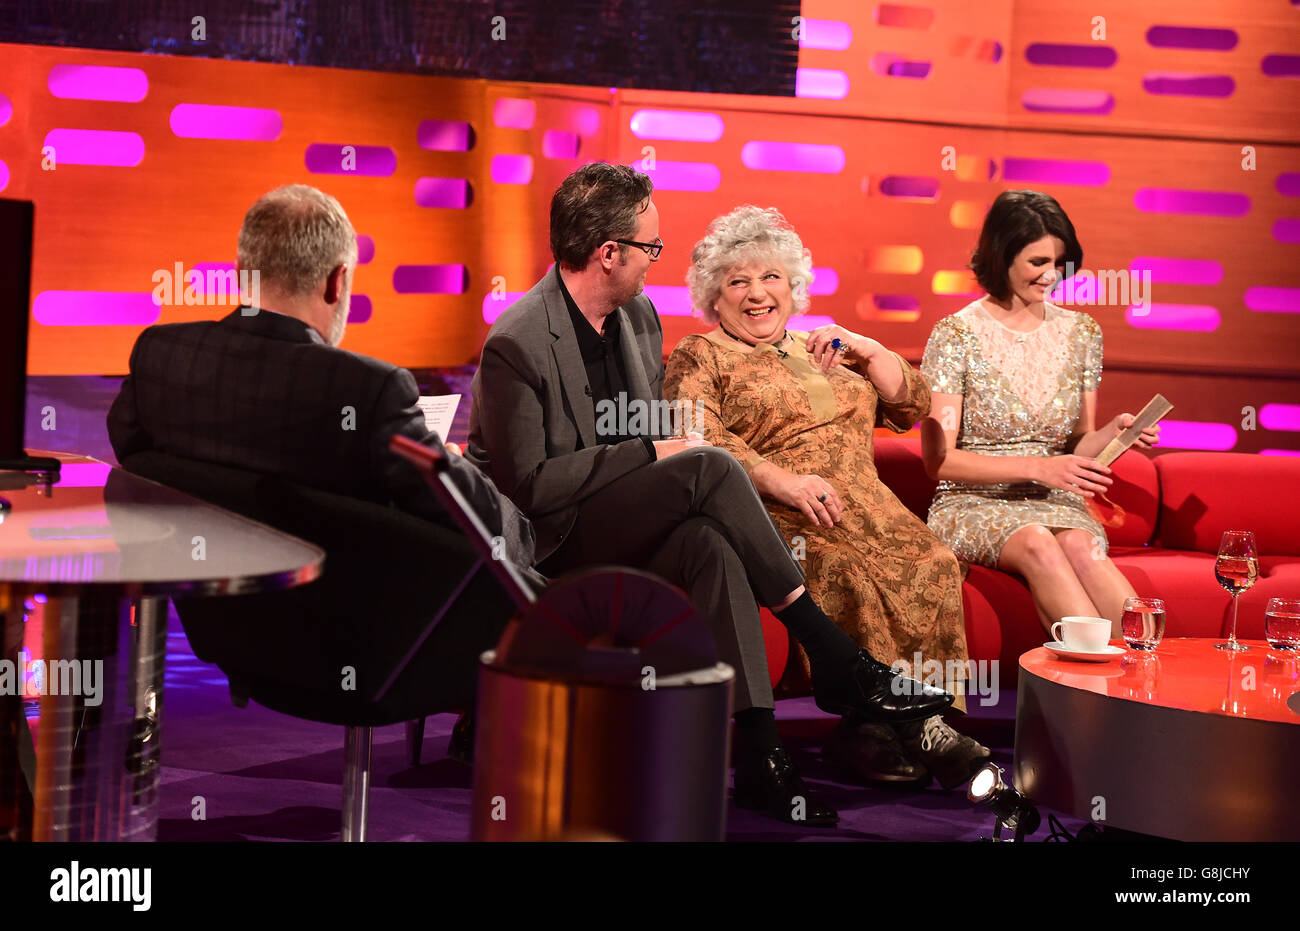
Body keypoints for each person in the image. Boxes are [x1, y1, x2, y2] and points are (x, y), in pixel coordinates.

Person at [466, 163, 951, 825]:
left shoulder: (634, 317)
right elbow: (526, 486)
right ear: (609, 253)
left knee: (710, 544)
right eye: (649, 248)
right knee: (711, 466)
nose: (655, 263)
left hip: (624, 510)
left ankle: (758, 754)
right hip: (553, 535)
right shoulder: (517, 343)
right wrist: (647, 451)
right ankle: (837, 656)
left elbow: (907, 403)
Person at [107, 183, 533, 749]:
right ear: (337, 281)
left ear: (243, 269)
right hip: (371, 656)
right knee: (531, 583)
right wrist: (452, 470)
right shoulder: (368, 389)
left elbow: (134, 462)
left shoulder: (162, 356)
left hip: (231, 637)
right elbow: (472, 518)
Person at [664, 205, 989, 790]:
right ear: (714, 297)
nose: (757, 294)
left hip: (869, 503)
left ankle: (882, 732)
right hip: (776, 509)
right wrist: (776, 479)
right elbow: (694, 436)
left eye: (771, 278)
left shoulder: (826, 347)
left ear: (794, 287)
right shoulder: (701, 354)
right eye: (738, 281)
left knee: (933, 561)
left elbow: (912, 406)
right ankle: (919, 728)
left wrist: (865, 349)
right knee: (843, 571)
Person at [919, 189, 1160, 637]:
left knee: (1080, 545)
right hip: (972, 502)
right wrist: (1039, 467)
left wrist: (1115, 433)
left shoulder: (1081, 333)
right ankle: (1093, 687)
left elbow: (1077, 445)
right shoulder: (956, 335)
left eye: (1059, 262)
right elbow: (939, 461)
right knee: (1037, 542)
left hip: (1055, 502)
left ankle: (1147, 670)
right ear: (1002, 255)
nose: (1051, 275)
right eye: (1037, 263)